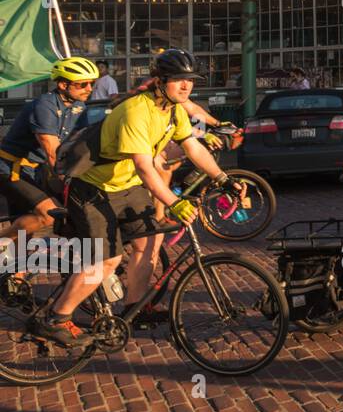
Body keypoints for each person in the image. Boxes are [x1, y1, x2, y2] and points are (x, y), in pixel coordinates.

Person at [33, 50, 245, 346]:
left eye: (190, 81)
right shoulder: (136, 110)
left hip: (127, 187)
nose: (186, 86)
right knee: (107, 261)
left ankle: (137, 308)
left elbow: (192, 148)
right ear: (159, 81)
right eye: (178, 80)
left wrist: (223, 178)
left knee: (148, 245)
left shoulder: (174, 110)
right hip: (93, 188)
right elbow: (146, 168)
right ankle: (56, 319)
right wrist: (175, 202)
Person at [0, 57, 96, 253]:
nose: (89, 88)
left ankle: (14, 280)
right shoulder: (45, 106)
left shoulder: (78, 106)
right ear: (62, 84)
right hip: (11, 168)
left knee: (25, 227)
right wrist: (69, 179)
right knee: (50, 214)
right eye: (82, 84)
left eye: (92, 83)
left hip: (35, 169)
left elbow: (83, 143)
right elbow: (52, 151)